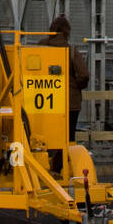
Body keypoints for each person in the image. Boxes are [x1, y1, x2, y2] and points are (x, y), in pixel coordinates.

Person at [47, 14, 89, 143]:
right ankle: (66, 161)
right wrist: (75, 86)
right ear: (67, 31)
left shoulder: (41, 46)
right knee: (68, 139)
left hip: (44, 103)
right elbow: (84, 75)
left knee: (47, 138)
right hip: (69, 102)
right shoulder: (71, 50)